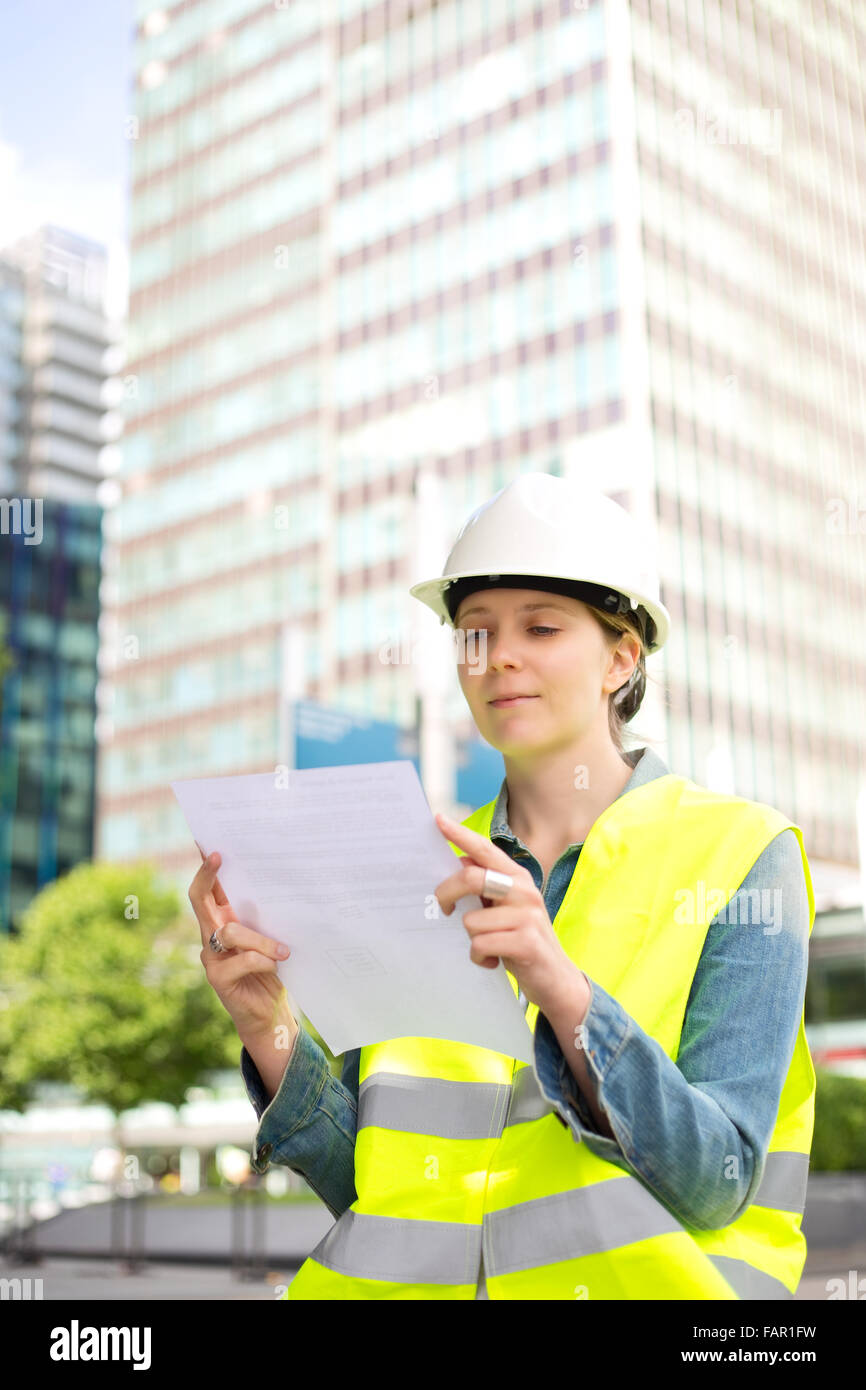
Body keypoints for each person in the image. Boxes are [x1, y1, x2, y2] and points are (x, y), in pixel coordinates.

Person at [188, 472, 815, 1300]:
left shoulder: (739, 852)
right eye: (474, 634)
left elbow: (717, 1178)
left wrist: (562, 991)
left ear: (622, 658)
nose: (500, 656)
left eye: (542, 627)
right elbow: (374, 1195)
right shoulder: (416, 865)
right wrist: (269, 1029)